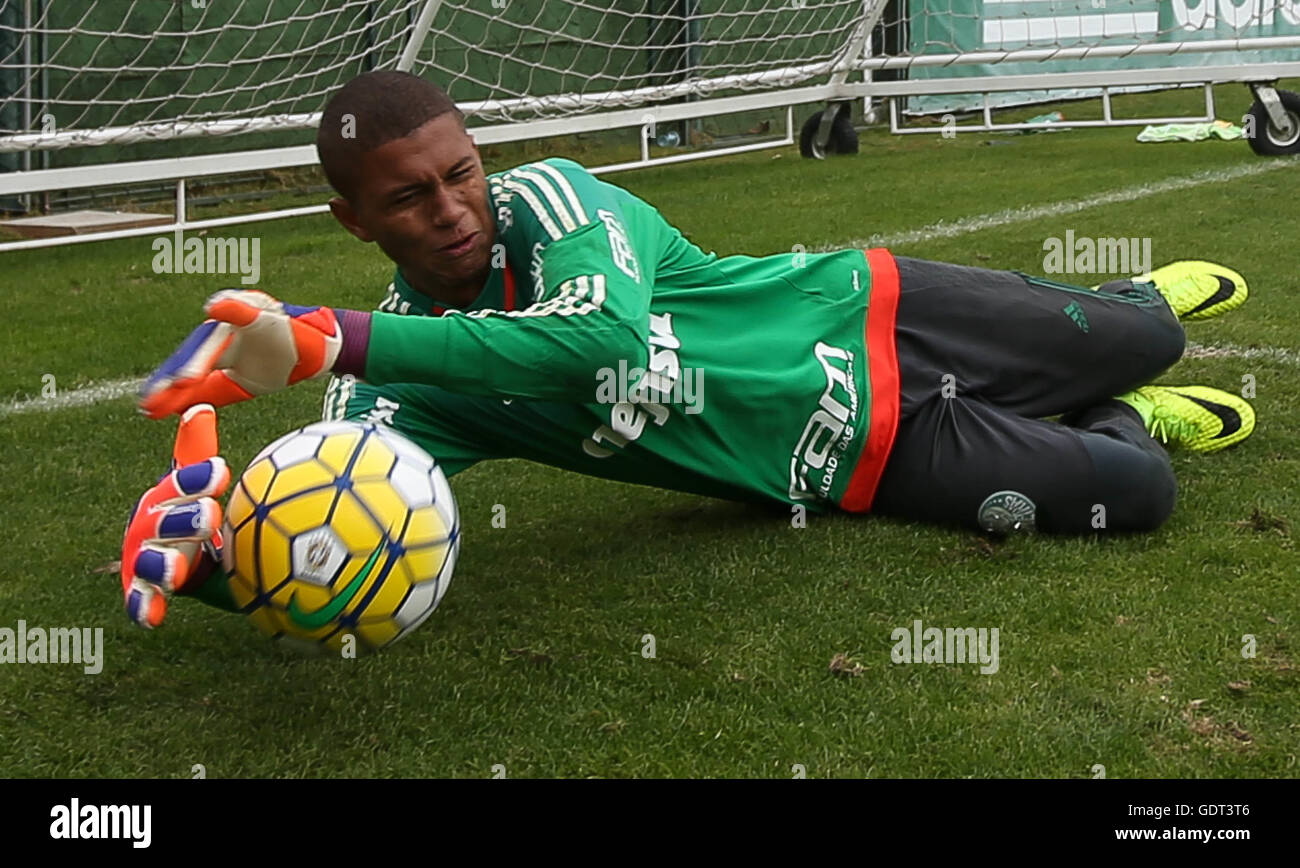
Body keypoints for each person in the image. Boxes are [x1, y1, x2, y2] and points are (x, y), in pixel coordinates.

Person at [119, 71, 1255, 627]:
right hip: (842, 456)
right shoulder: (400, 386)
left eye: (459, 172)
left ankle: (1121, 320)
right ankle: (1114, 415)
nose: (454, 209)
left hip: (879, 308)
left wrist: (333, 340)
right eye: (408, 199)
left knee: (1149, 332)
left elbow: (591, 339)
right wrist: (215, 559)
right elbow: (334, 527)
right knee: (1137, 489)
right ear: (354, 222)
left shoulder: (555, 203)